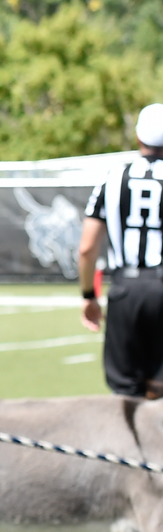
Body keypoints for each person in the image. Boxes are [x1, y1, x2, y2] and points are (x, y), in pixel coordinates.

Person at [78, 102, 163, 399]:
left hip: (125, 290)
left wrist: (89, 295)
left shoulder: (112, 178)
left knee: (125, 395)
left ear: (138, 137)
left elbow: (87, 248)